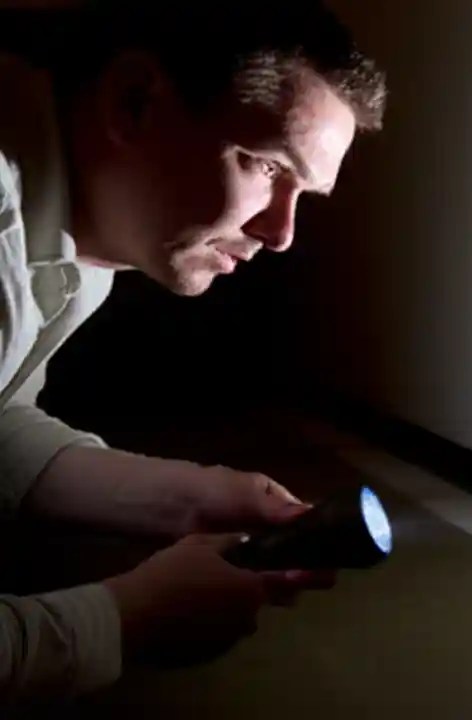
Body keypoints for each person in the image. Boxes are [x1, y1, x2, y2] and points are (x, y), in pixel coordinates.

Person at [0, 0, 387, 704]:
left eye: (307, 194)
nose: (281, 234)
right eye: (268, 167)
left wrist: (190, 498)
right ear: (135, 101)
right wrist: (120, 621)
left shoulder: (76, 247)